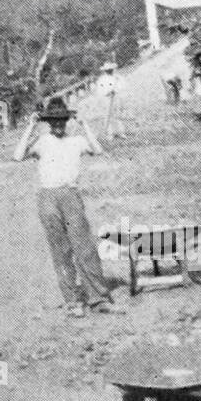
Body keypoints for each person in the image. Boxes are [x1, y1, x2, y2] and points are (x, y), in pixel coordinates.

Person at [13, 96, 119, 318]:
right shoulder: (42, 141)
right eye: (54, 121)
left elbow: (98, 150)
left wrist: (84, 124)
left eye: (62, 120)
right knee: (61, 251)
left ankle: (98, 297)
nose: (59, 125)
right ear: (49, 122)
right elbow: (17, 155)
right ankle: (72, 301)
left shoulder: (77, 141)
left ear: (67, 121)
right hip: (48, 197)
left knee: (84, 247)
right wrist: (31, 126)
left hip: (71, 195)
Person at [96, 61, 123, 141]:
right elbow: (99, 90)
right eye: (108, 70)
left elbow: (121, 86)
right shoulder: (101, 80)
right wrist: (107, 93)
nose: (109, 71)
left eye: (110, 69)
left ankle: (120, 132)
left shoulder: (116, 78)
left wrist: (115, 91)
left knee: (117, 115)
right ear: (105, 71)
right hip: (106, 99)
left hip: (115, 98)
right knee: (108, 116)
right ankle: (110, 133)